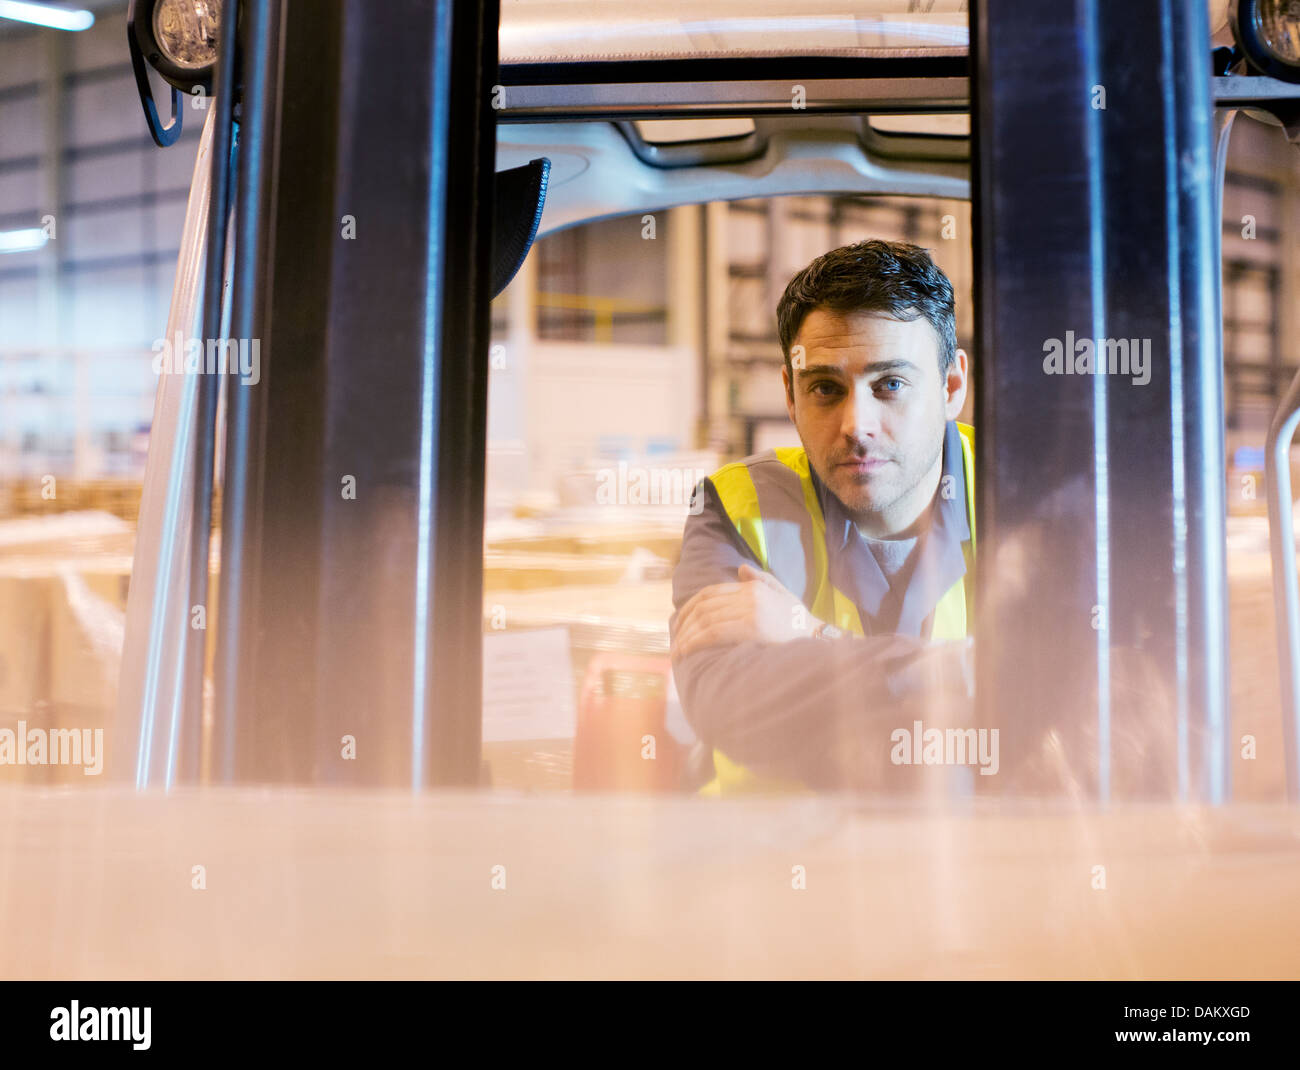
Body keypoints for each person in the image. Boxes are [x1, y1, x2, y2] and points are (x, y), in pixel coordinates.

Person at [670, 239, 976, 794]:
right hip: (764, 864)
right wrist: (962, 681)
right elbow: (730, 707)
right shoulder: (734, 507)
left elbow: (1072, 681)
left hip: (981, 866)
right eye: (825, 389)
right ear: (790, 395)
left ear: (952, 386)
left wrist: (807, 636)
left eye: (891, 385)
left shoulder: (1025, 497)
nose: (856, 423)